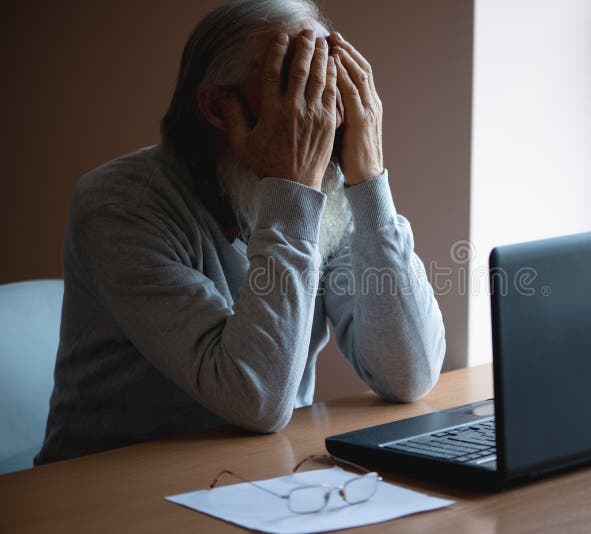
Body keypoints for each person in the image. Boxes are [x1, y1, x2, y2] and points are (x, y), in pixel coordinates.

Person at [35, 0, 446, 464]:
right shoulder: (120, 205)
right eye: (295, 81)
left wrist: (369, 183)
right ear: (217, 107)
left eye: (326, 75)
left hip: (261, 476)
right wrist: (289, 191)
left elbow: (409, 373)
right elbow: (256, 399)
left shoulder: (323, 187)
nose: (322, 111)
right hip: (104, 488)